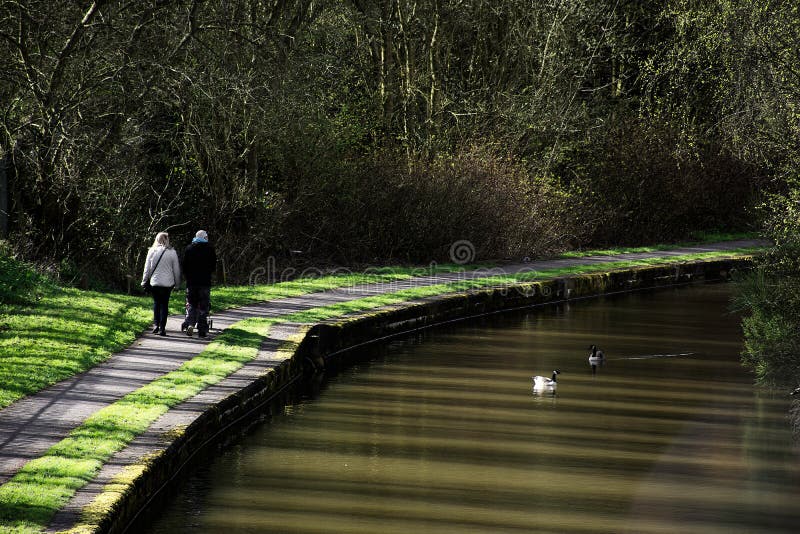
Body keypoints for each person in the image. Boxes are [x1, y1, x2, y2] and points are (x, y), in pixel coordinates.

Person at [141, 232, 181, 336]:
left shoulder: (152, 251)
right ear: (167, 240)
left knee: (156, 303)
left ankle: (155, 325)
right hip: (168, 284)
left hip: (155, 282)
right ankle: (162, 328)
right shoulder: (172, 252)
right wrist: (177, 284)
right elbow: (176, 270)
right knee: (165, 304)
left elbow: (147, 268)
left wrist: (144, 281)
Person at [181, 229, 217, 338]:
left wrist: (187, 277)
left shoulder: (189, 248)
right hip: (205, 282)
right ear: (204, 237)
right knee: (203, 305)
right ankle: (202, 329)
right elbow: (213, 265)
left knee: (191, 304)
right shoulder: (210, 249)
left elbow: (184, 266)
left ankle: (191, 324)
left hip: (192, 282)